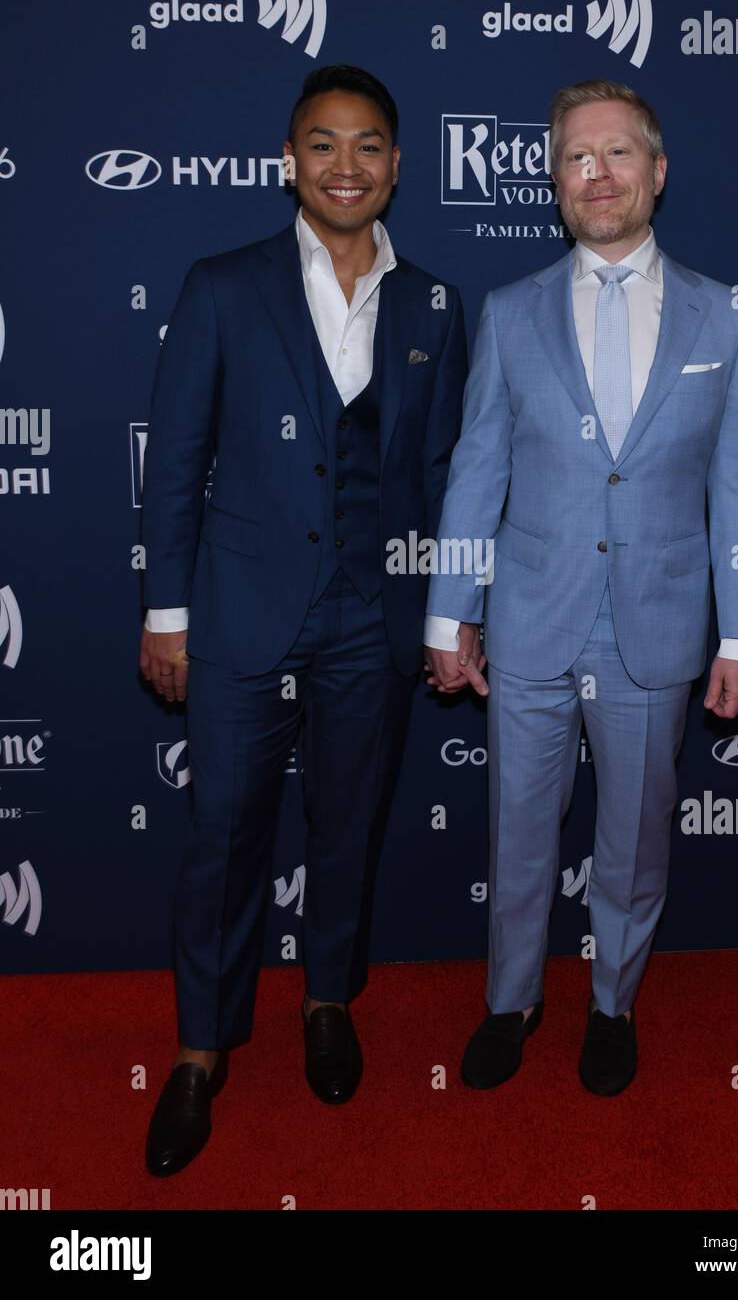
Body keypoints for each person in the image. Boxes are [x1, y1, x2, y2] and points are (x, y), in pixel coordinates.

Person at [139, 63, 468, 1175]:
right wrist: (167, 612)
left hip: (371, 619)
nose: (345, 165)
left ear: (396, 164)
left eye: (367, 145)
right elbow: (176, 461)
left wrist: (446, 610)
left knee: (347, 827)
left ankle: (329, 1001)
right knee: (223, 837)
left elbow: (440, 473)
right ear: (290, 160)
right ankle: (200, 1051)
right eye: (323, 144)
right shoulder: (224, 284)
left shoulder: (432, 302)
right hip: (239, 609)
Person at [424, 77, 738, 1097]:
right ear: (552, 180)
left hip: (658, 628)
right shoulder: (508, 311)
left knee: (631, 840)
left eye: (619, 152)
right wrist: (452, 611)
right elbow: (476, 470)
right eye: (577, 157)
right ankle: (512, 998)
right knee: (519, 830)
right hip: (531, 618)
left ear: (657, 173)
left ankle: (611, 1000)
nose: (598, 173)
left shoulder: (726, 316)